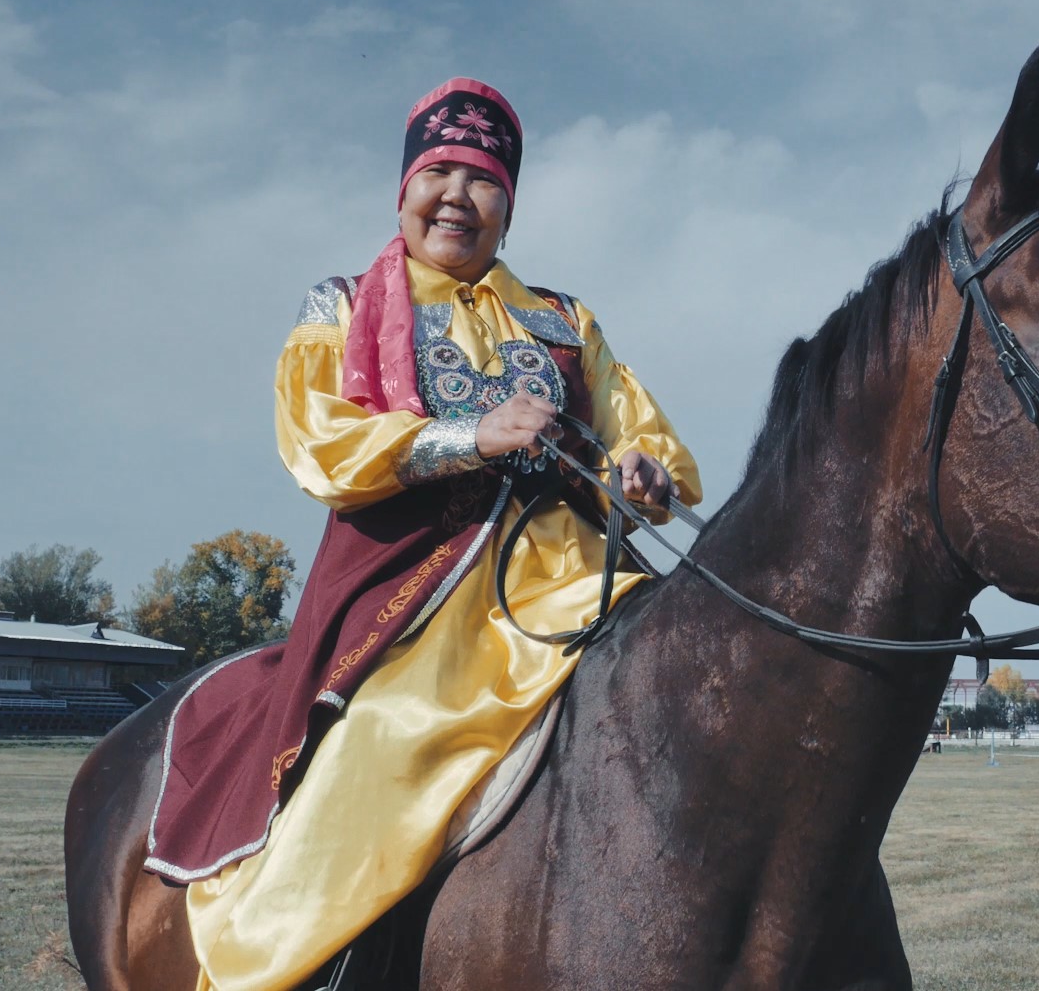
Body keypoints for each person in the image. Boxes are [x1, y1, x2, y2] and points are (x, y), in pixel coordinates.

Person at [174, 77, 701, 989]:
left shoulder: (566, 322)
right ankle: (314, 966)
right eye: (439, 170)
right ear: (405, 187)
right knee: (386, 745)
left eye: (483, 178)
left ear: (510, 202)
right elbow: (318, 441)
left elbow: (641, 430)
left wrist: (644, 473)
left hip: (585, 579)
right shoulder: (340, 304)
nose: (458, 195)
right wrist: (471, 435)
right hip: (419, 593)